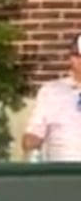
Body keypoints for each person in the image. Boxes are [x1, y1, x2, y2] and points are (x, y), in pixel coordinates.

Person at [21, 32, 81, 162]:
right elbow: (34, 134)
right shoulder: (52, 92)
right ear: (71, 58)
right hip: (63, 171)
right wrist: (32, 142)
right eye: (78, 56)